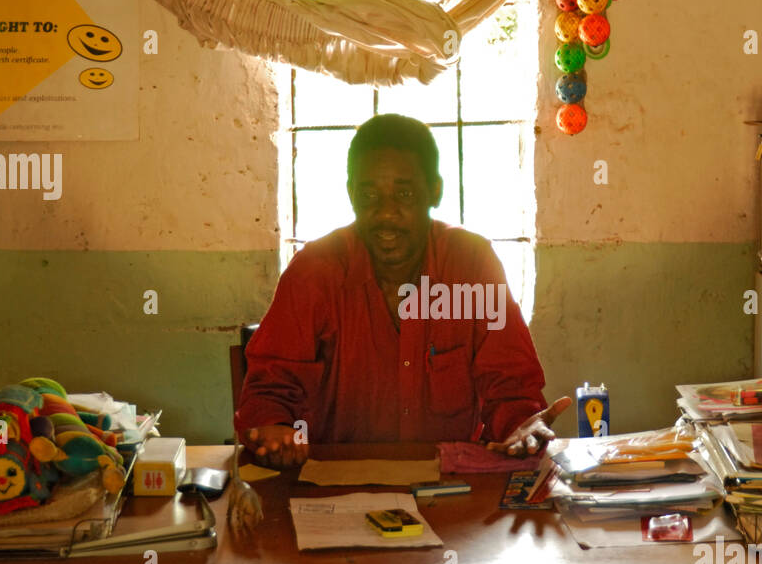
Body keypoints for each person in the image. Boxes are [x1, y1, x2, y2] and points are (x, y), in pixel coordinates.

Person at [237, 114, 570, 469]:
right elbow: (268, 392)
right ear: (350, 194)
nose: (386, 214)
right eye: (369, 195)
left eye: (405, 193)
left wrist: (523, 424)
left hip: (450, 491)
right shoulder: (314, 272)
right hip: (332, 491)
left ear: (435, 191)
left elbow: (510, 386)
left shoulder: (472, 266)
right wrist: (276, 428)